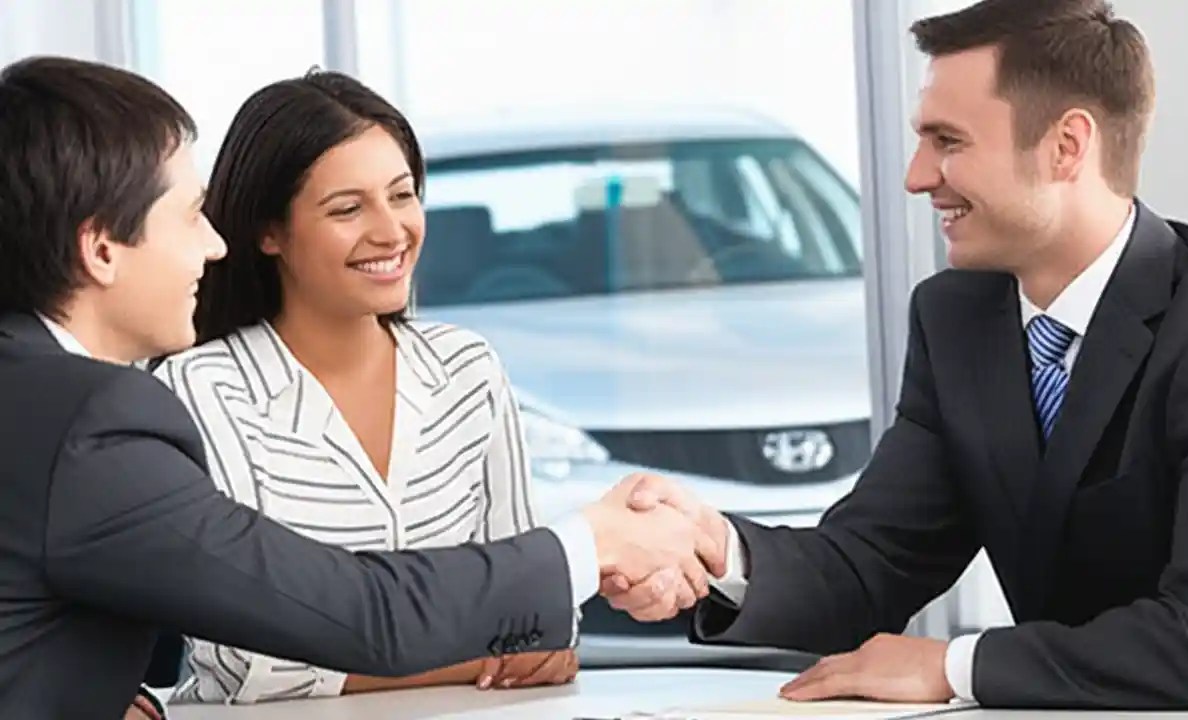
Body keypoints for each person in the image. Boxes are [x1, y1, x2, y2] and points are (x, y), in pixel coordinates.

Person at [602, 0, 1188, 710]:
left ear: (1066, 146)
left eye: (948, 141)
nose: (917, 176)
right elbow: (871, 564)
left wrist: (955, 667)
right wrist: (716, 549)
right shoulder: (957, 318)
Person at [0, 56, 714, 719]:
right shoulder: (99, 419)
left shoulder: (39, 398)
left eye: (403, 195)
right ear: (100, 249)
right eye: (189, 216)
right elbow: (348, 619)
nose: (210, 245)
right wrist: (596, 542)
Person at [151, 70, 575, 704]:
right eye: (347, 209)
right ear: (270, 232)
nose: (390, 230)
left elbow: (541, 613)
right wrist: (475, 656)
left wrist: (520, 641)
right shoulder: (203, 389)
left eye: (402, 196)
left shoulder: (468, 369)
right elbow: (252, 665)